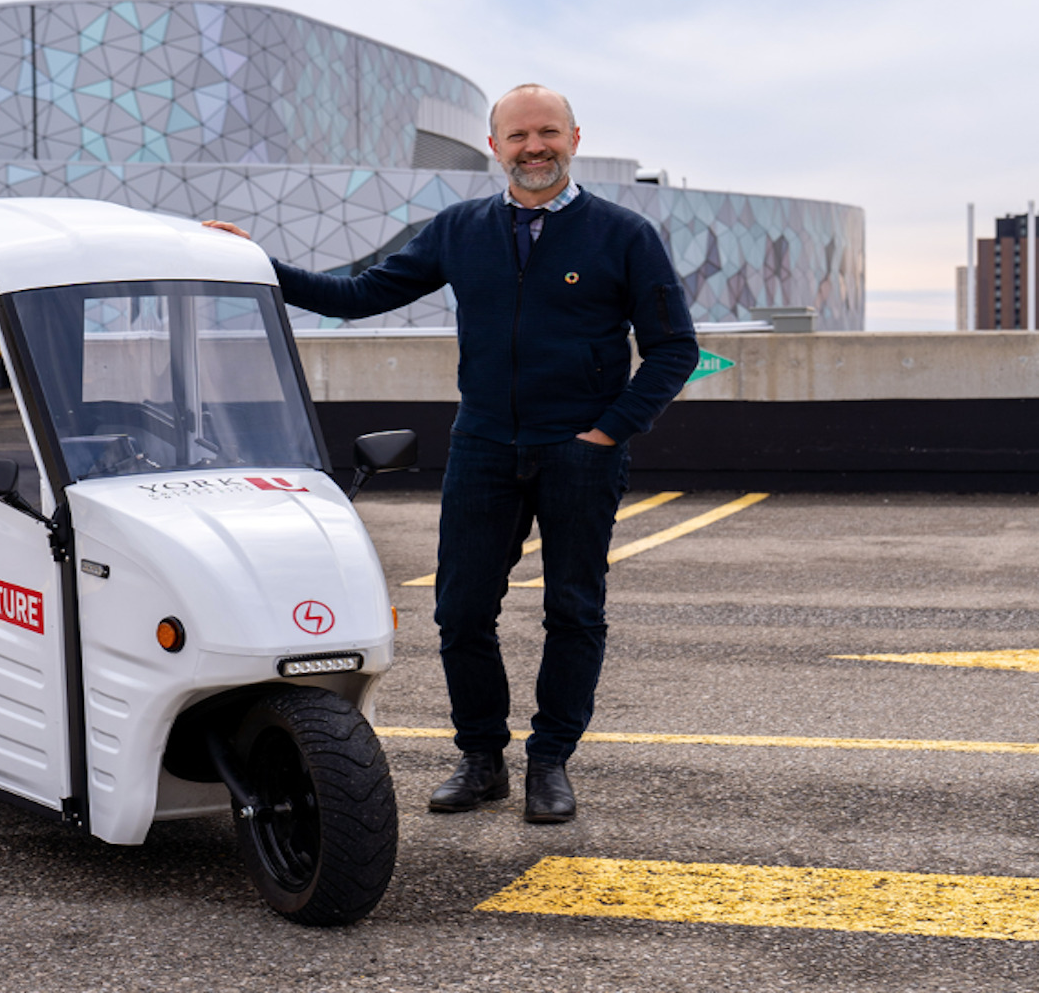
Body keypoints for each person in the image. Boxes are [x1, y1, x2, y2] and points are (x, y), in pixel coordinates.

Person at [203, 84, 697, 823]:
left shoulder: (622, 234)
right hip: (485, 445)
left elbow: (673, 349)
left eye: (548, 133)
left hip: (579, 453)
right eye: (519, 136)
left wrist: (608, 430)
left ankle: (550, 763)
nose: (535, 147)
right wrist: (259, 266)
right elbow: (360, 294)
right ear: (494, 147)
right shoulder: (461, 229)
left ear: (574, 138)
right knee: (461, 612)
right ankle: (481, 759)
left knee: (574, 611)